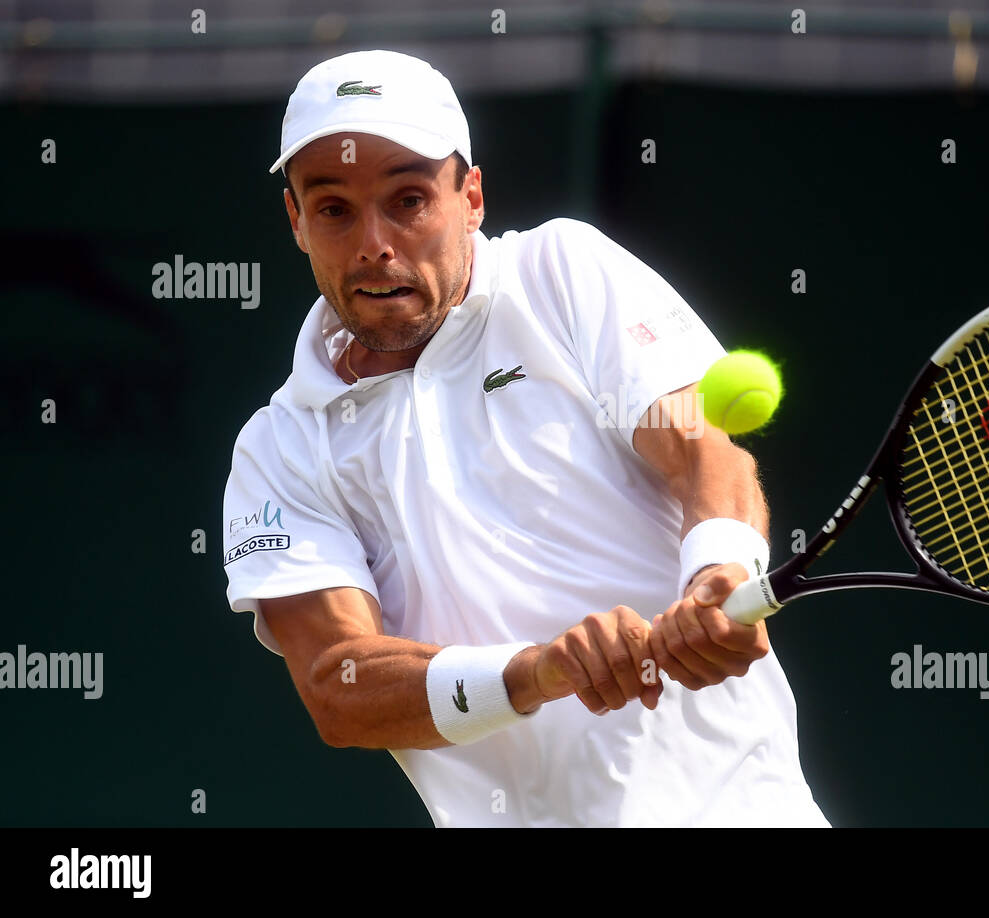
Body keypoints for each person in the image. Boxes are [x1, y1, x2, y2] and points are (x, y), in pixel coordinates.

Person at [221, 49, 828, 827]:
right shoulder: (278, 452)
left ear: (470, 197)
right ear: (296, 222)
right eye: (335, 209)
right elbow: (341, 688)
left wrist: (718, 571)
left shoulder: (561, 272)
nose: (375, 243)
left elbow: (700, 446)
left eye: (408, 199)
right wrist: (540, 671)